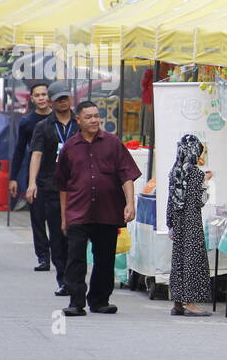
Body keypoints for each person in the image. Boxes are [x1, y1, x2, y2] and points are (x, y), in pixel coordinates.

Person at [54, 101, 141, 317]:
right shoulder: (70, 147)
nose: (94, 120)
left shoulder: (112, 144)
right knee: (75, 258)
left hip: (108, 211)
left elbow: (127, 176)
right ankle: (76, 301)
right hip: (77, 211)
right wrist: (64, 217)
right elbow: (62, 185)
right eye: (89, 117)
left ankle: (100, 300)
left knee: (105, 258)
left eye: (96, 116)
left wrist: (130, 204)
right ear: (79, 121)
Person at [26, 83, 77, 294]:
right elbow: (36, 154)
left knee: (75, 236)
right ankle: (63, 279)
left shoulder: (80, 122)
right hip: (52, 186)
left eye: (65, 97)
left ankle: (75, 278)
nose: (62, 101)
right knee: (57, 235)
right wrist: (32, 183)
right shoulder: (44, 126)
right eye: (58, 98)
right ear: (51, 102)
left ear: (70, 99)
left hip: (77, 188)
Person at [168, 134, 213, 317]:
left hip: (177, 222)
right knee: (192, 260)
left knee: (179, 261)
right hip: (192, 221)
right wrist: (206, 185)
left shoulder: (174, 171)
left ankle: (178, 303)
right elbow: (198, 201)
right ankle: (190, 303)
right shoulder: (196, 173)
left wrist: (169, 223)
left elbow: (170, 201)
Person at [10, 82, 53, 270]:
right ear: (32, 99)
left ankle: (60, 254)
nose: (42, 98)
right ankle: (43, 257)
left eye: (44, 94)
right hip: (34, 175)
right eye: (38, 95)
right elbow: (19, 150)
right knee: (37, 218)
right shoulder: (27, 122)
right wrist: (13, 178)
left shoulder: (59, 118)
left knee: (57, 218)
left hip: (58, 174)